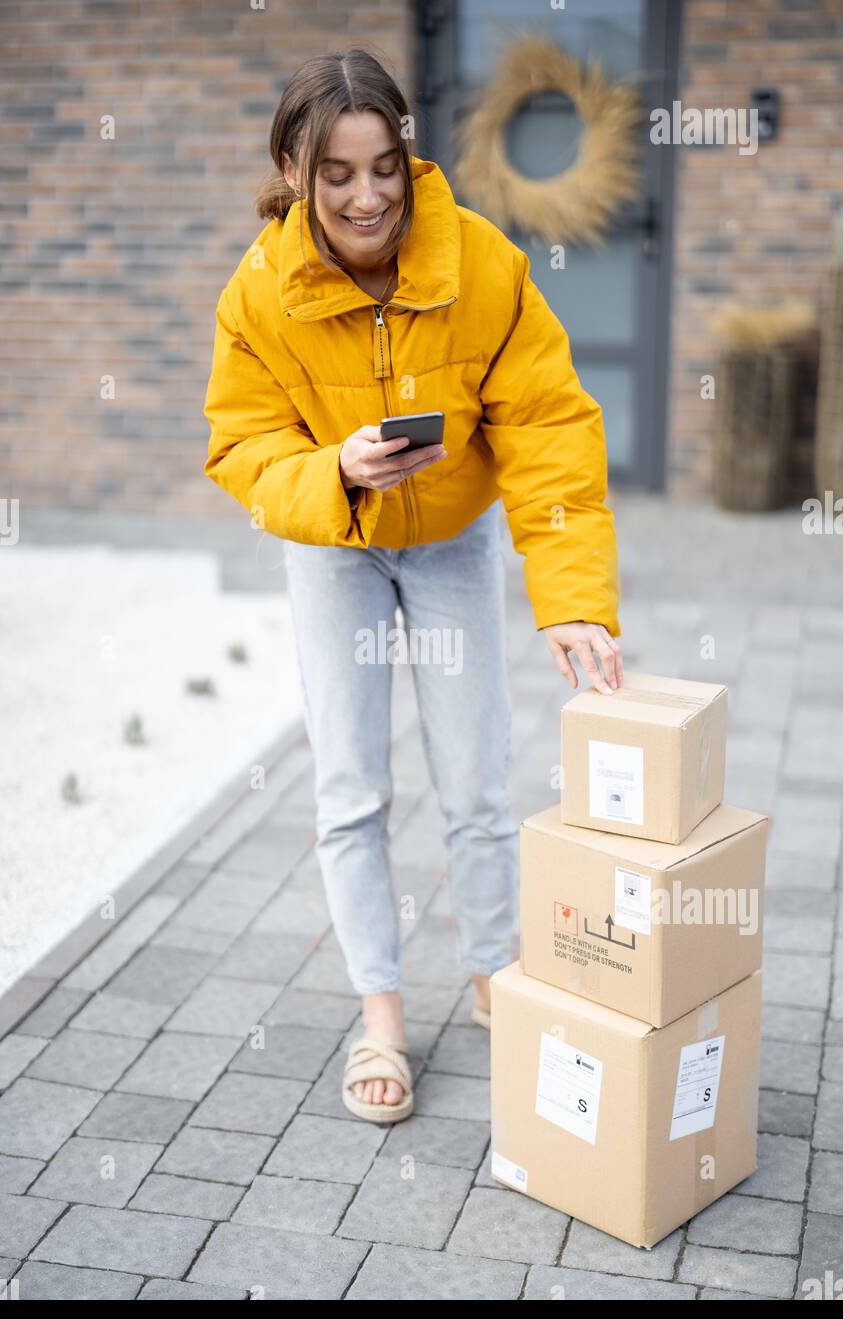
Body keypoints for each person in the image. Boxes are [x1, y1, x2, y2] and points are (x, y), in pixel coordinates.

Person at [202, 48, 623, 1125]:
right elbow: (243, 445)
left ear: (408, 155)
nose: (367, 195)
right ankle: (381, 1013)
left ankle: (492, 976)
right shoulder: (261, 288)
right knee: (352, 788)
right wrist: (334, 472)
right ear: (295, 171)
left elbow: (547, 426)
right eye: (336, 173)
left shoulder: (481, 262)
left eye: (384, 165)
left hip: (452, 540)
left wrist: (571, 594)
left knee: (478, 780)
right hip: (333, 541)